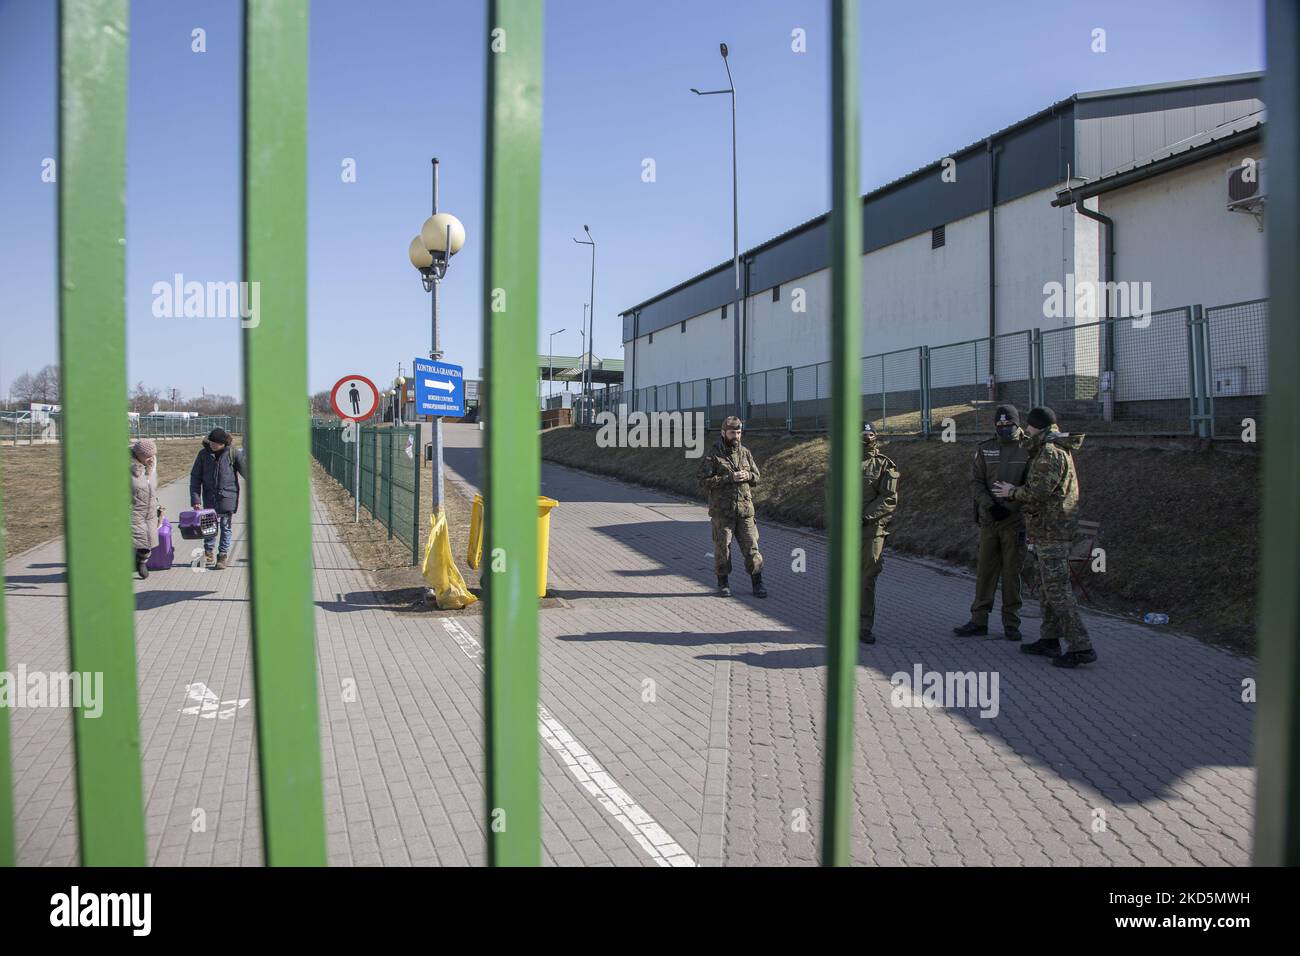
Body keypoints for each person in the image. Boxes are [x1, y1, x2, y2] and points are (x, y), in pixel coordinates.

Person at [992, 406, 1097, 668]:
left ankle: (1081, 646)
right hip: (1047, 529)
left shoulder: (1049, 452)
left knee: (1057, 591)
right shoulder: (1052, 448)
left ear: (1036, 426)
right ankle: (1049, 638)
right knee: (1045, 587)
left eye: (1028, 426)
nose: (1025, 430)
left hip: (1052, 531)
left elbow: (1038, 492)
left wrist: (1011, 492)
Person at [954, 404, 1030, 640]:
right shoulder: (985, 449)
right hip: (990, 521)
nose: (1004, 429)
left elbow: (1033, 486)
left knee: (1011, 575)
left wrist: (1012, 505)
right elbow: (976, 482)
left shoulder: (1028, 450)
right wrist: (990, 505)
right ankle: (979, 620)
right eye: (1000, 425)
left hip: (1014, 522)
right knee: (985, 573)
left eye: (1009, 425)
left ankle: (1011, 623)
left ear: (1017, 424)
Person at [697, 415, 766, 598]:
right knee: (722, 549)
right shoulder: (713, 455)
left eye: (738, 432)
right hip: (723, 513)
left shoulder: (745, 453)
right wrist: (728, 478)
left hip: (745, 512)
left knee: (752, 548)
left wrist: (748, 476)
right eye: (732, 432)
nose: (736, 436)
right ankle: (723, 583)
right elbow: (703, 481)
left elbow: (757, 476)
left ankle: (757, 582)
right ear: (723, 433)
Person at [859, 422, 899, 644]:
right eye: (862, 433)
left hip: (872, 529)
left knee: (867, 575)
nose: (866, 436)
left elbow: (889, 498)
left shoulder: (884, 465)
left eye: (870, 433)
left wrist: (863, 517)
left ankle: (864, 625)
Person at [189, 427, 248, 570]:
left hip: (228, 496)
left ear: (223, 444)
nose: (212, 445)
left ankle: (222, 555)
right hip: (209, 497)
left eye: (216, 443)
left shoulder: (232, 453)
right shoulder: (203, 455)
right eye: (211, 442)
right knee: (209, 526)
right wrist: (195, 500)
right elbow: (195, 478)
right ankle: (208, 553)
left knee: (225, 527)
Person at [131, 439, 162, 579]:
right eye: (148, 456)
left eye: (152, 455)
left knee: (149, 540)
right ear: (138, 455)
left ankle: (142, 561)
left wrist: (157, 503)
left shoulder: (151, 464)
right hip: (134, 509)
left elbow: (151, 486)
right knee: (136, 538)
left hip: (149, 509)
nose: (151, 458)